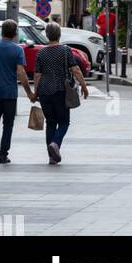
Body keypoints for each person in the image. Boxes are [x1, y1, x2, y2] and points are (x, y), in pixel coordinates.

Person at [33, 22, 88, 165]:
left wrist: (35, 92)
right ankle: (55, 144)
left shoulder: (41, 52)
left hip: (44, 91)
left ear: (46, 35)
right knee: (64, 122)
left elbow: (37, 75)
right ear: (59, 34)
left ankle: (51, 156)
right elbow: (75, 69)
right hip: (60, 90)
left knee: (50, 122)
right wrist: (83, 85)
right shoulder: (65, 51)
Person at [0, 20, 36, 164]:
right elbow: (21, 73)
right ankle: (3, 155)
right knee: (8, 125)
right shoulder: (18, 50)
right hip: (10, 94)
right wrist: (29, 93)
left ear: (3, 31)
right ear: (15, 33)